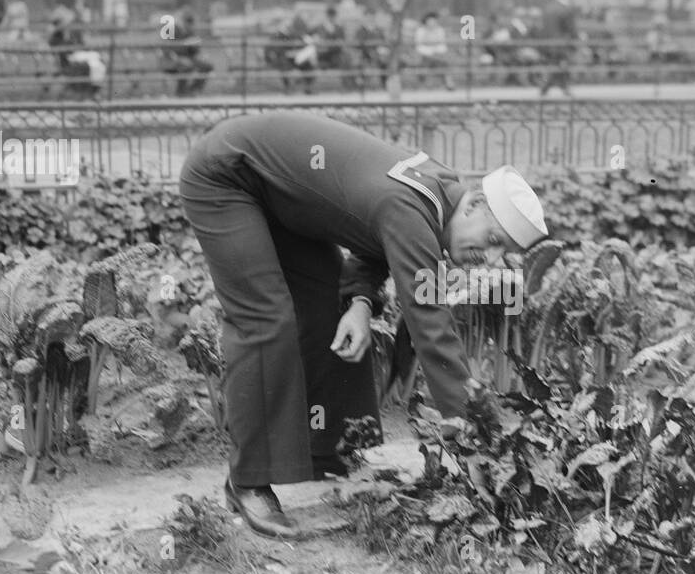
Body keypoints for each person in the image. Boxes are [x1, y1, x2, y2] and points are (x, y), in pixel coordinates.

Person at [179, 112, 548, 538]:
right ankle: (247, 483)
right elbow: (429, 321)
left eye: (503, 253)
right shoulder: (413, 210)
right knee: (265, 320)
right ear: (476, 204)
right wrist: (470, 425)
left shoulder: (437, 193)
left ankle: (328, 453)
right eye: (494, 240)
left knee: (327, 308)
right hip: (226, 178)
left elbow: (371, 237)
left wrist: (358, 303)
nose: (491, 257)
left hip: (277, 195)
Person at [162, 6, 214, 95]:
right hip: (172, 59)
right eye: (187, 21)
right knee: (186, 65)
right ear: (182, 20)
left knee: (207, 66)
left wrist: (196, 47)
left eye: (191, 22)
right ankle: (180, 92)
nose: (190, 25)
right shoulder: (171, 28)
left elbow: (193, 51)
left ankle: (193, 90)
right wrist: (184, 44)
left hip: (188, 58)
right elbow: (166, 48)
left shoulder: (189, 31)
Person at [538, 0, 579, 96]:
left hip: (547, 43)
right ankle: (553, 87)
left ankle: (552, 88)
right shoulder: (567, 9)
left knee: (556, 65)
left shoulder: (548, 7)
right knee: (560, 66)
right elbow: (571, 29)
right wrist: (576, 40)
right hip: (562, 43)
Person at [413, 11, 453, 89]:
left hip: (437, 56)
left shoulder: (439, 30)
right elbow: (418, 46)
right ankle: (422, 85)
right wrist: (430, 51)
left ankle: (449, 83)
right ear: (426, 21)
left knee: (443, 62)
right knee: (424, 63)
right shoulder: (421, 31)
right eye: (430, 21)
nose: (432, 23)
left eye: (434, 21)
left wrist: (435, 51)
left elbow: (443, 45)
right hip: (424, 56)